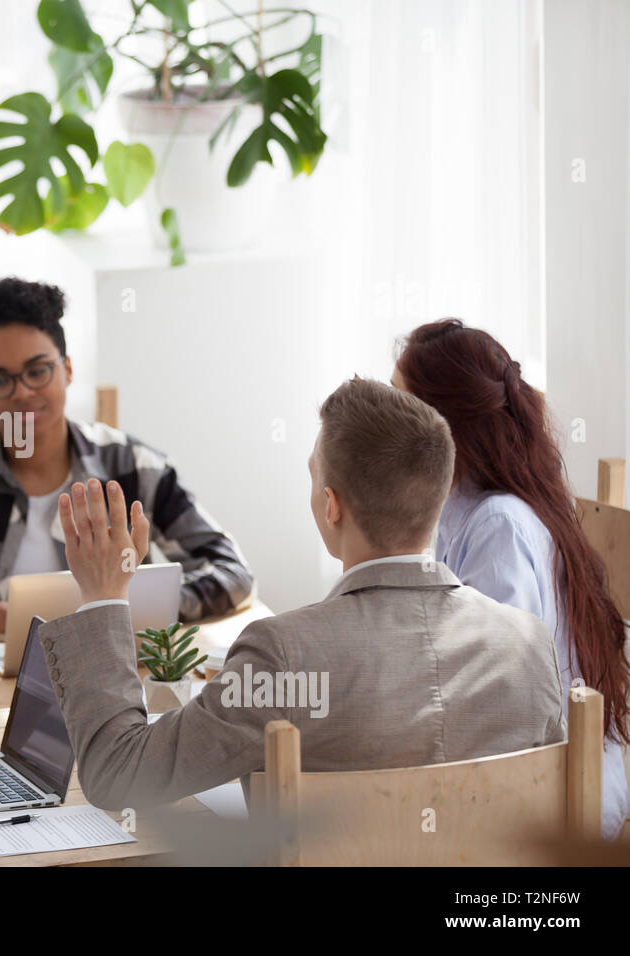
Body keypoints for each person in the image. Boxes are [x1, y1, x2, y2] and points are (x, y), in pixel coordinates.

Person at [37, 377, 564, 810]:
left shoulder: (284, 656)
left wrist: (104, 597)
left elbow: (119, 774)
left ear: (331, 505)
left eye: (314, 477)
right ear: (439, 494)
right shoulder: (529, 644)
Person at [0, 277, 253, 637]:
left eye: (38, 371)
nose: (22, 393)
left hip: (118, 671)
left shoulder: (136, 467)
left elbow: (232, 572)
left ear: (67, 369)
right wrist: (7, 617)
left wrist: (127, 608)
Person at [395, 318, 629, 839]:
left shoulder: (500, 526)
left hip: (557, 789)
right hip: (527, 765)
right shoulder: (463, 506)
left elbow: (496, 701)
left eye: (399, 404)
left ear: (444, 422)